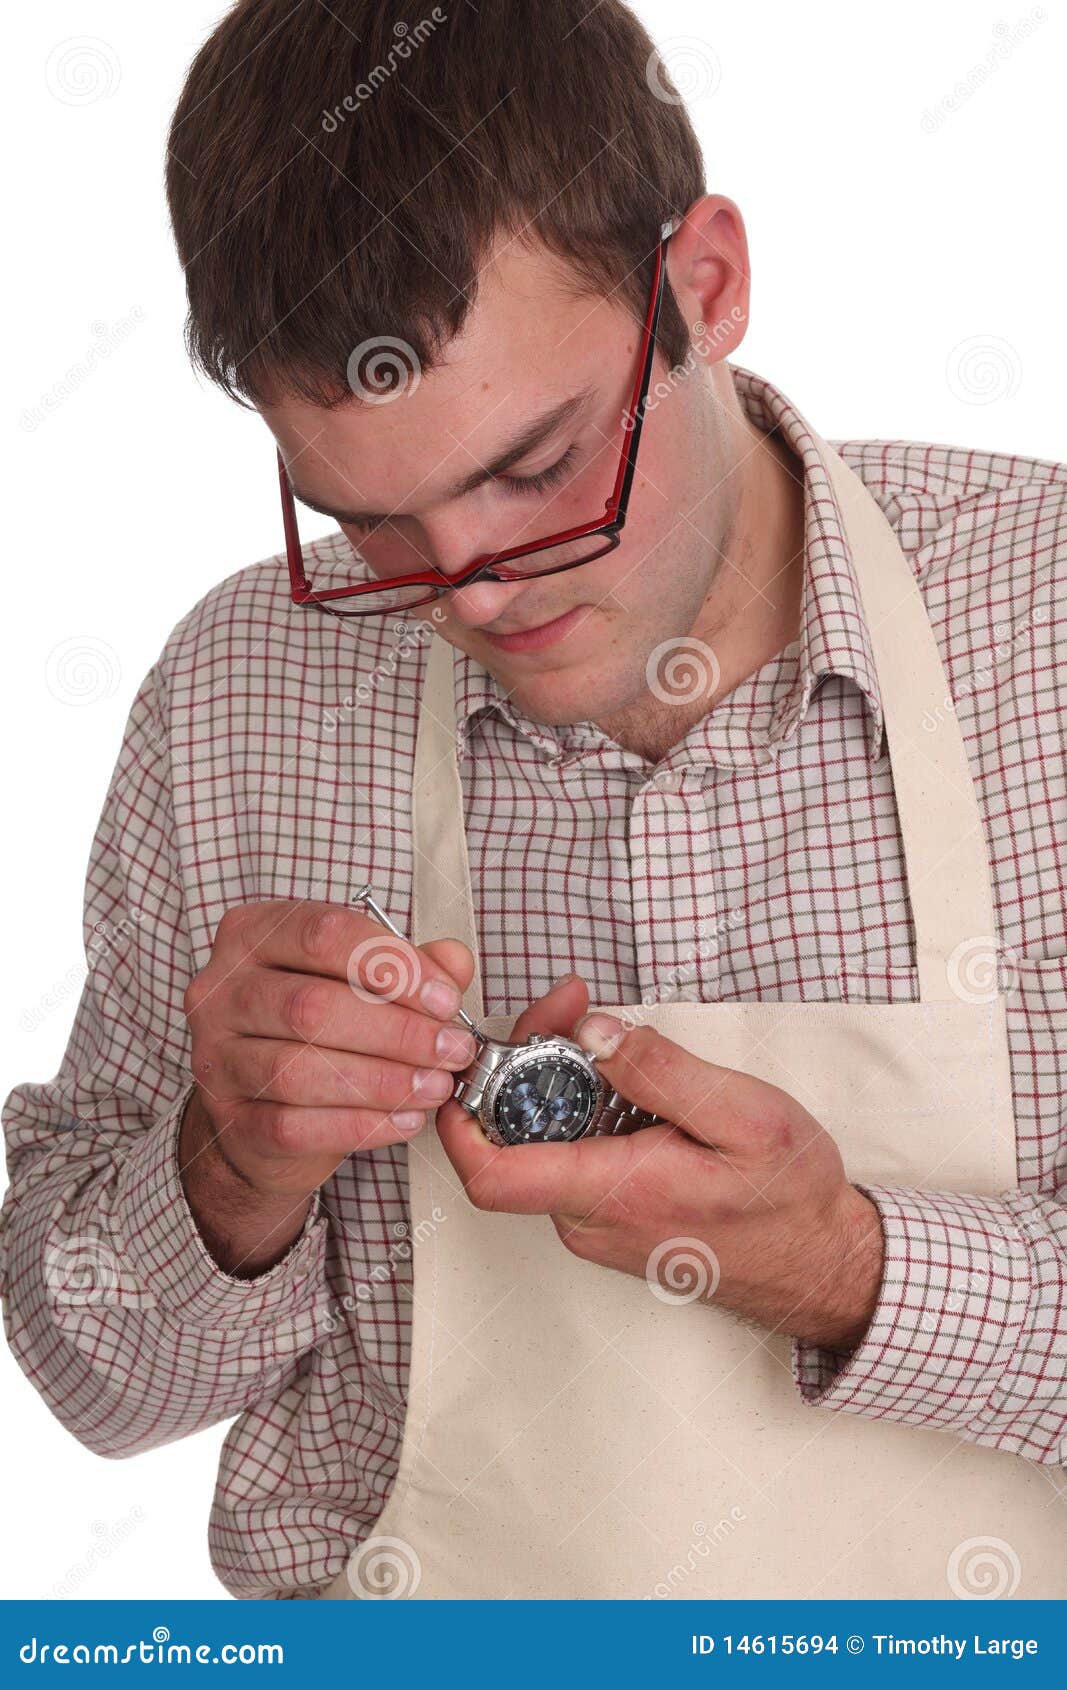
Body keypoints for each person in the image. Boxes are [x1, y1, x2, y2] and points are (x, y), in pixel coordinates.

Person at [2, 0, 1064, 1602]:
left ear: (702, 288)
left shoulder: (1042, 617)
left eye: (540, 467)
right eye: (376, 525)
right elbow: (95, 1382)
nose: (473, 595)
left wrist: (850, 1265)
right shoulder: (238, 691)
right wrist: (229, 1169)